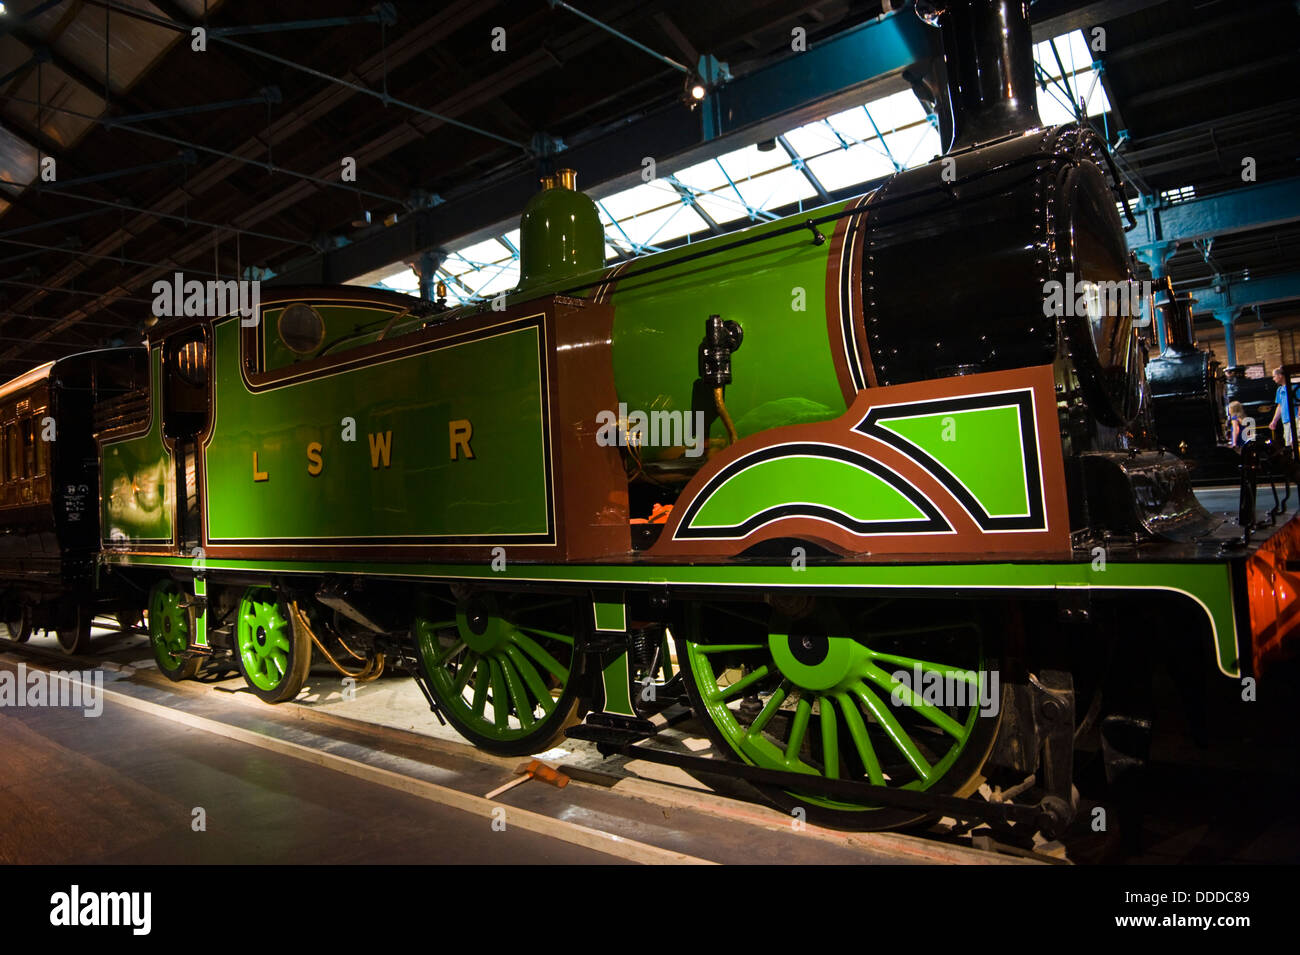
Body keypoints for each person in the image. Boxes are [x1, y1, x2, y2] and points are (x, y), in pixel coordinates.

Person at [1269, 367, 1297, 447]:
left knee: (1294, 442)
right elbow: (1280, 406)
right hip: (1286, 420)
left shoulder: (1294, 387)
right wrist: (1274, 421)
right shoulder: (1279, 390)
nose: (1273, 379)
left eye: (1274, 376)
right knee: (1288, 444)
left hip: (1295, 419)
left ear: (1280, 375)